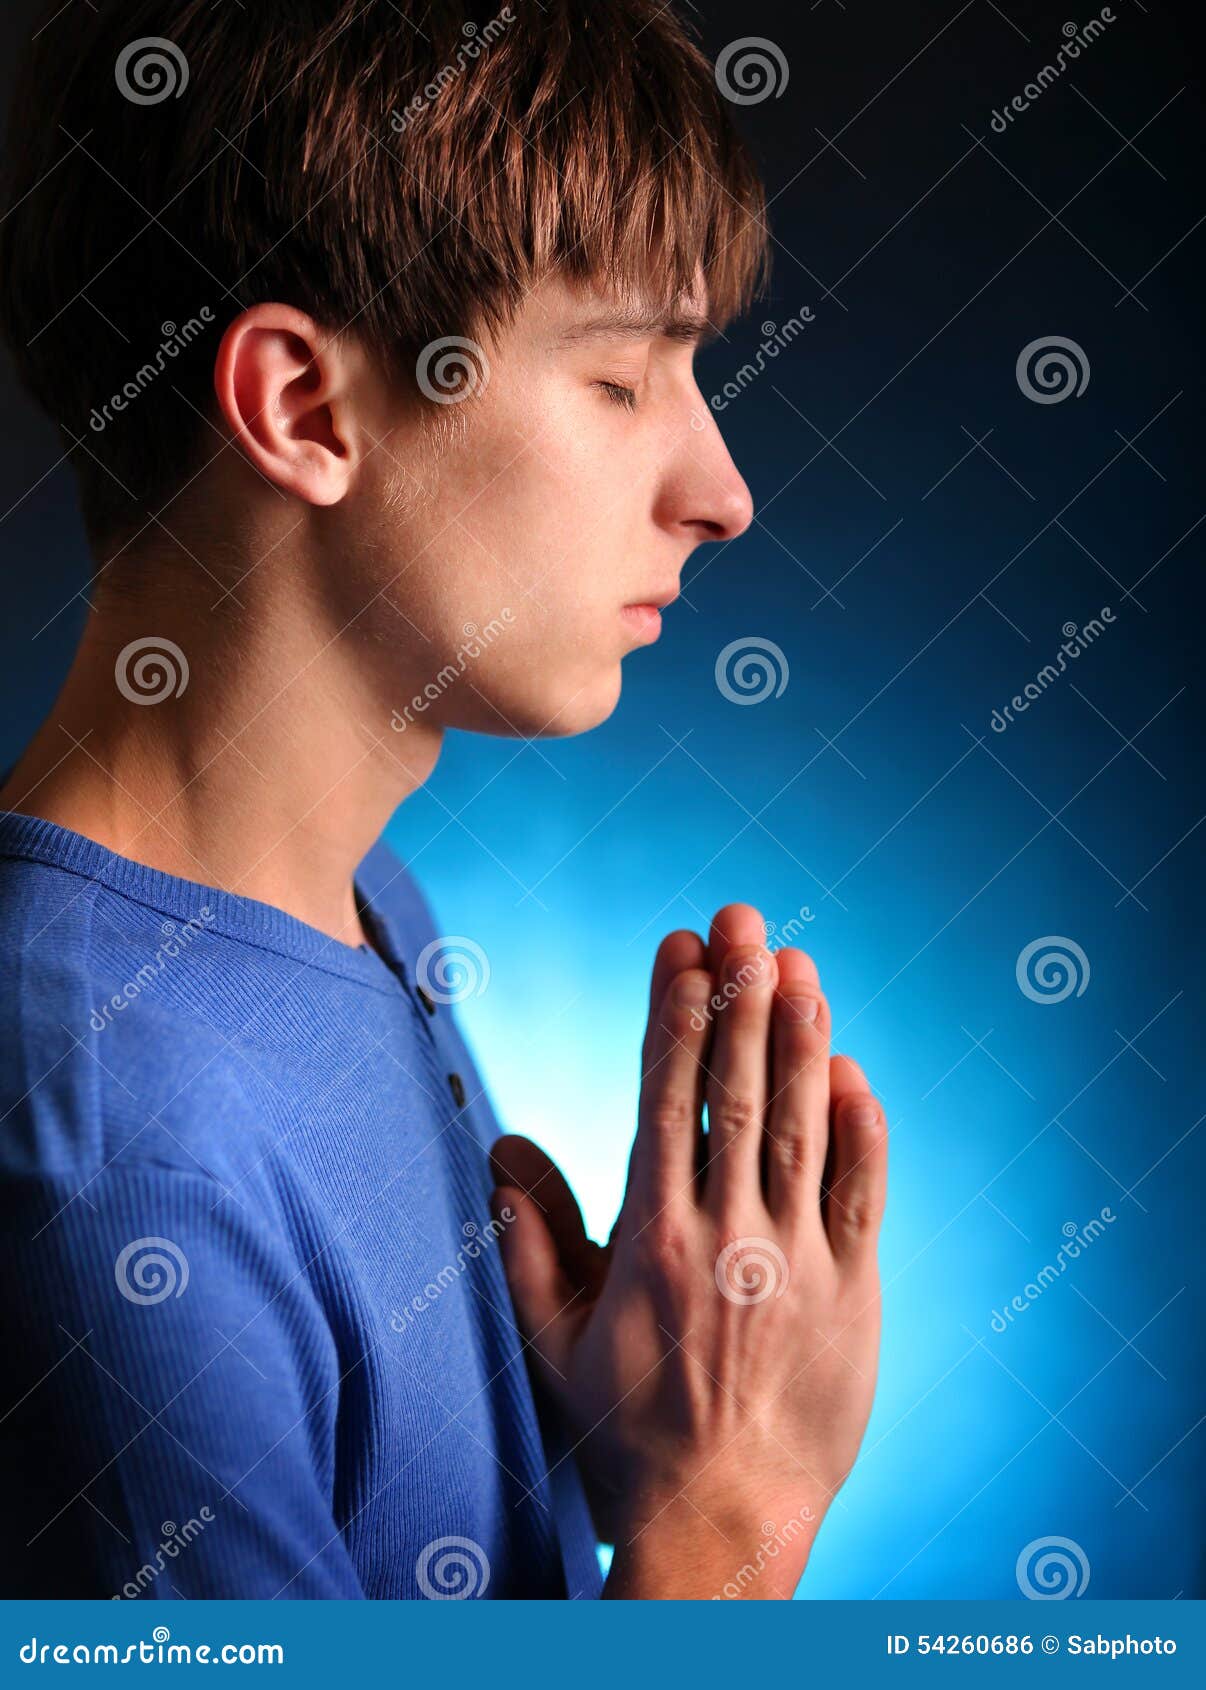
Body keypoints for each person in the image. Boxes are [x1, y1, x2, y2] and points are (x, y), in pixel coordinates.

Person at [0, 0, 887, 1599]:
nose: (721, 490)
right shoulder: (109, 1161)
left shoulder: (355, 901)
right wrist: (722, 1516)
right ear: (303, 409)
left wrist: (582, 1443)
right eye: (621, 377)